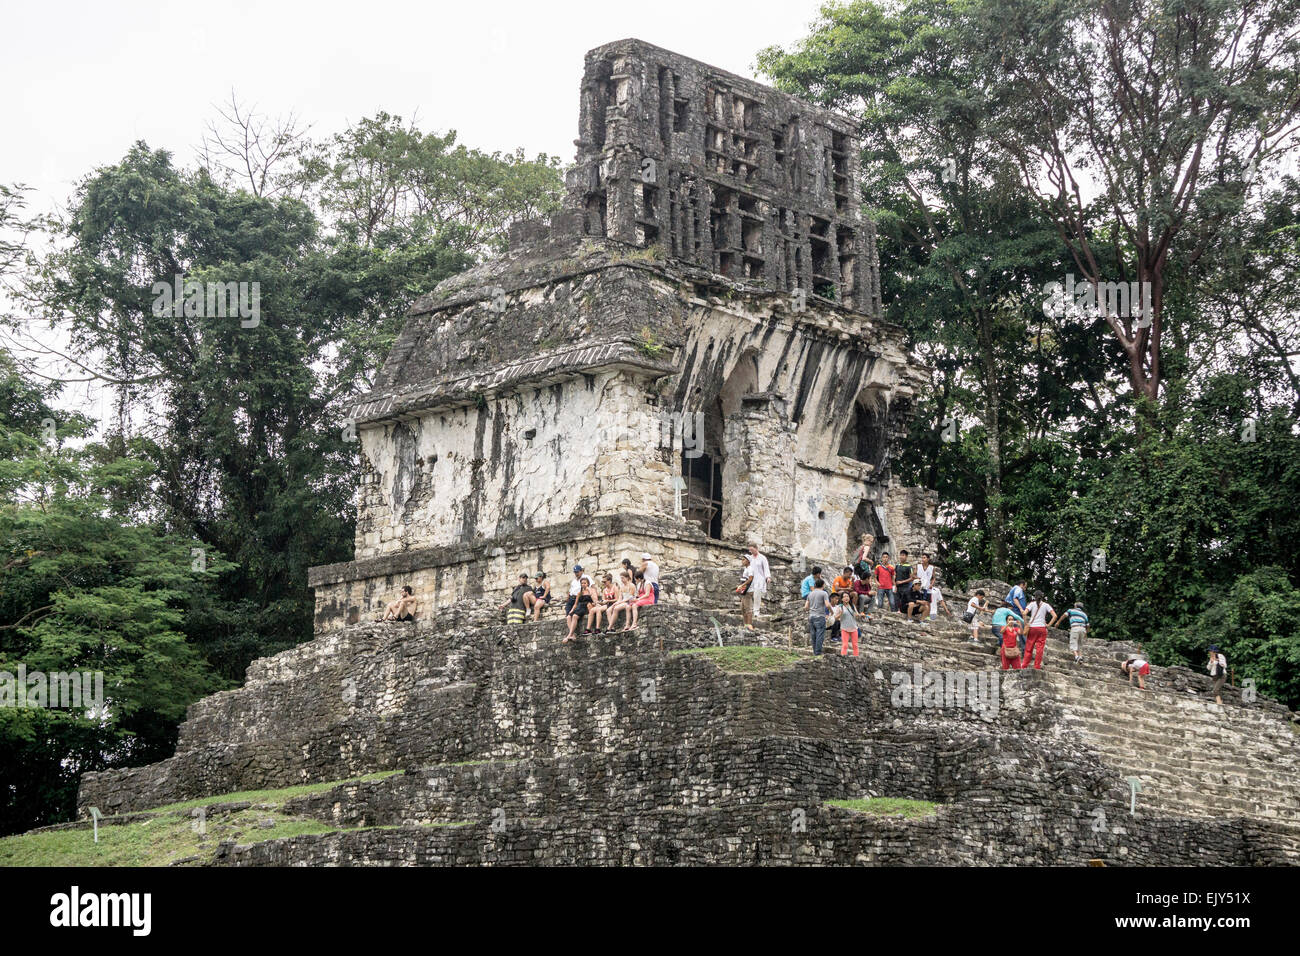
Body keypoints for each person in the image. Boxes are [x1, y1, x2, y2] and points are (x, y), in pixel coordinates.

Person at [1021, 591, 1055, 669]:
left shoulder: (1032, 604)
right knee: (1040, 648)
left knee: (1029, 648)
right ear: (1042, 597)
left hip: (1032, 628)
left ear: (1034, 596)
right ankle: (1037, 666)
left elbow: (1024, 613)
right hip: (1042, 628)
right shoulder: (1046, 605)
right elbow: (1055, 616)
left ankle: (1024, 665)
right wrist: (1049, 625)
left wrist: (1026, 623)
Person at [805, 577, 831, 656]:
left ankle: (814, 652)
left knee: (813, 635)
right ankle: (818, 653)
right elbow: (827, 605)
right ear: (823, 585)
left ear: (815, 585)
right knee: (820, 635)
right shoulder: (824, 593)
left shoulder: (810, 593)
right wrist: (832, 611)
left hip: (811, 616)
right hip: (820, 616)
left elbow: (806, 607)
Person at [833, 591, 860, 657]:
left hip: (854, 628)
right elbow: (835, 618)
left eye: (847, 596)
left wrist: (858, 615)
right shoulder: (839, 607)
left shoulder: (852, 606)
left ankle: (856, 658)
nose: (846, 598)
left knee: (855, 645)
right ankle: (843, 657)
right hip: (844, 628)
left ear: (849, 598)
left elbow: (856, 615)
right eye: (844, 597)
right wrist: (840, 614)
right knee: (845, 645)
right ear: (841, 599)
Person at [746, 544, 770, 616]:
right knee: (749, 594)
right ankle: (749, 610)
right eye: (750, 550)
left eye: (752, 550)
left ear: (756, 548)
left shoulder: (763, 558)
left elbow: (766, 568)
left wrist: (768, 577)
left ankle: (756, 611)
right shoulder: (750, 558)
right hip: (751, 578)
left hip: (760, 579)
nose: (751, 551)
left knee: (757, 595)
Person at [737, 553, 757, 631]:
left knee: (748, 608)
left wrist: (742, 586)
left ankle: (749, 625)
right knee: (743, 608)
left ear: (748, 561)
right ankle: (746, 624)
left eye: (744, 559)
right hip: (745, 591)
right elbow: (744, 579)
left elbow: (750, 579)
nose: (742, 561)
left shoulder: (750, 569)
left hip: (749, 591)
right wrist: (741, 586)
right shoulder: (746, 569)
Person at [894, 550, 914, 615]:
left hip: (905, 587)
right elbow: (894, 576)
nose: (901, 557)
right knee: (896, 601)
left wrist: (902, 582)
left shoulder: (909, 566)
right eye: (900, 555)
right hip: (897, 587)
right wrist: (894, 585)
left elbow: (912, 578)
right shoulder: (897, 566)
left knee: (904, 601)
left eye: (903, 555)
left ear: (906, 556)